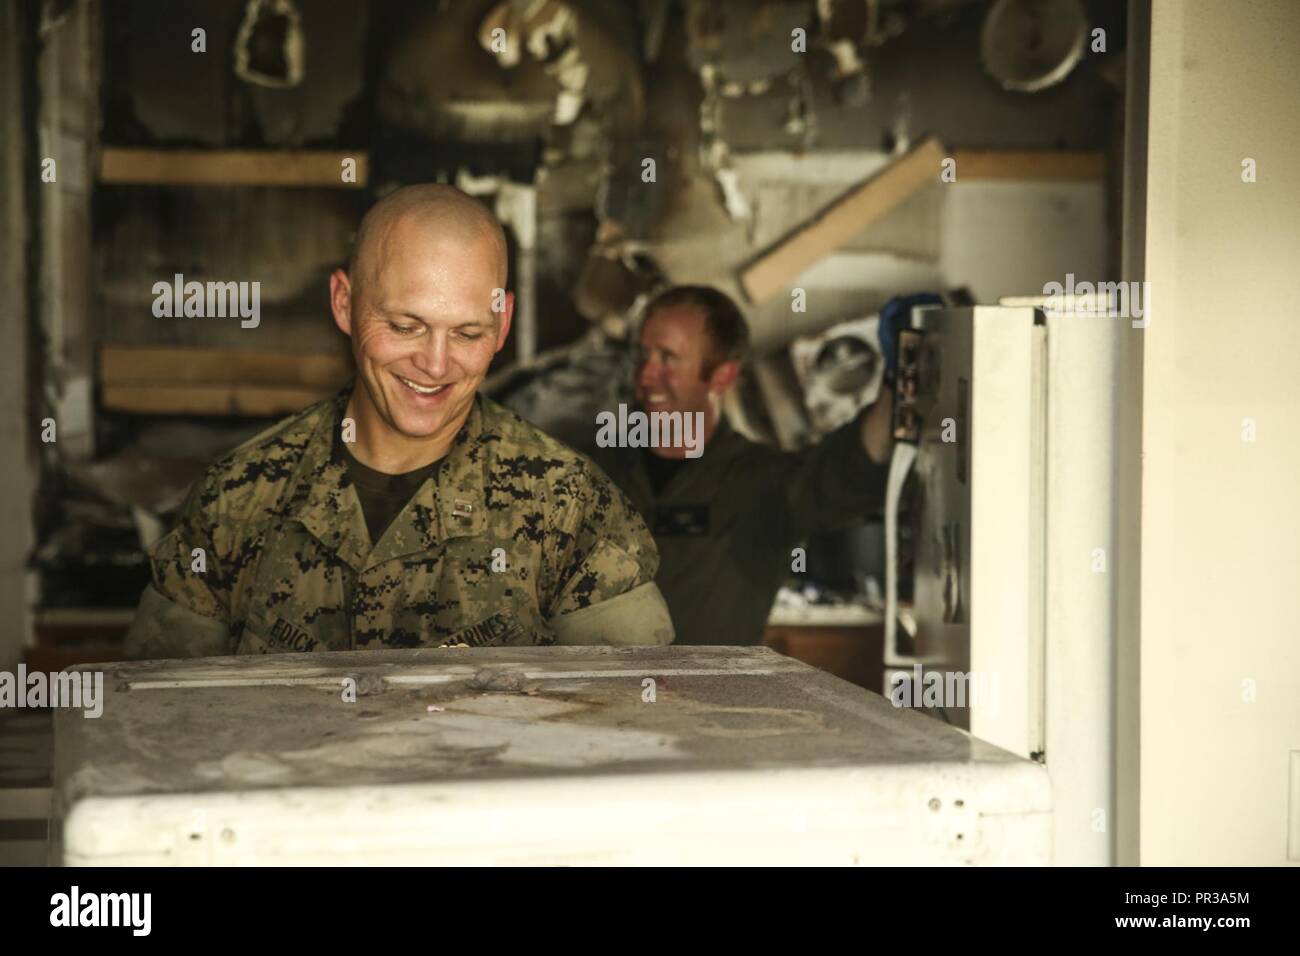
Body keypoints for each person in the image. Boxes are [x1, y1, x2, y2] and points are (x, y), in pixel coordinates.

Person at [124, 184, 673, 658]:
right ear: (344, 303)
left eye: (467, 333)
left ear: (502, 325)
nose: (435, 365)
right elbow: (160, 717)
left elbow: (629, 724)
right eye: (406, 326)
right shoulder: (237, 500)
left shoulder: (570, 508)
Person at [588, 285, 916, 647]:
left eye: (668, 358)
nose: (647, 375)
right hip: (595, 699)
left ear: (721, 377)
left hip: (710, 701)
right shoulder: (592, 470)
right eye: (644, 354)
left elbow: (852, 466)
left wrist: (898, 376)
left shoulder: (762, 483)